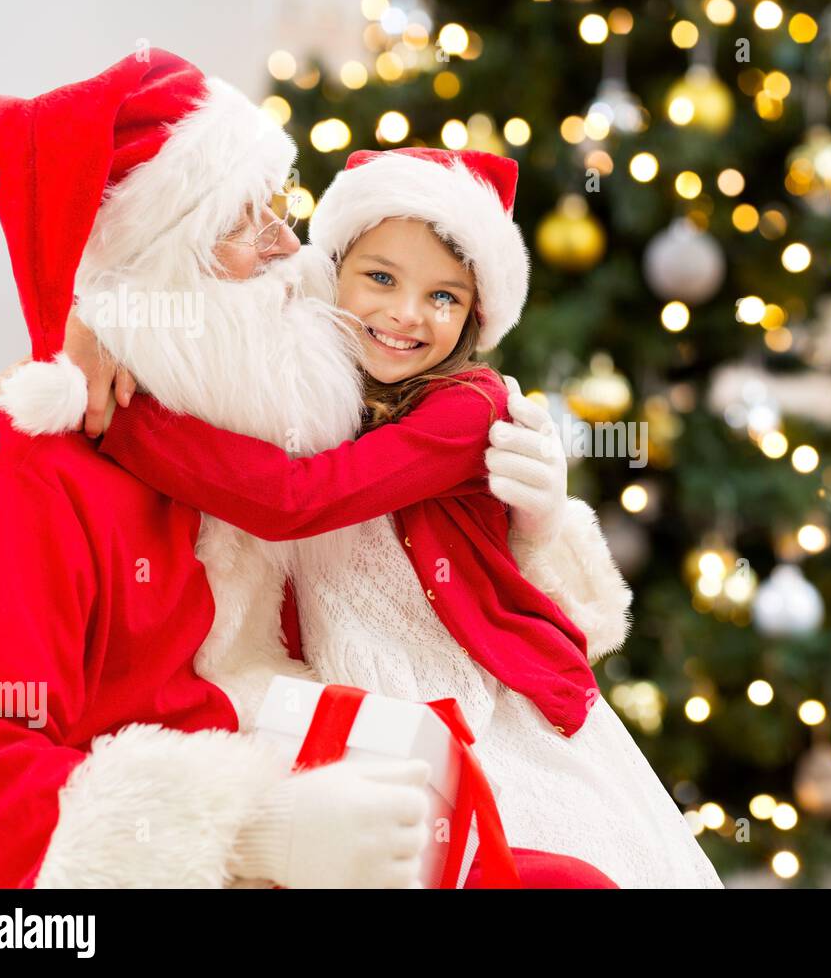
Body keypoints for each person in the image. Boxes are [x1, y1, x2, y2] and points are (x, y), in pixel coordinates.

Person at [0, 49, 623, 889]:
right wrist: (255, 837)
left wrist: (541, 529)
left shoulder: (253, 428)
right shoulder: (24, 468)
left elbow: (412, 579)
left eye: (281, 209)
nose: (287, 245)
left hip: (337, 773)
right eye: (243, 221)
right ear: (161, 260)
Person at [63, 147, 723, 887]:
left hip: (473, 708)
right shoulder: (316, 378)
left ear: (477, 314)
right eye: (380, 278)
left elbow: (296, 499)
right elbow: (212, 350)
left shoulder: (468, 408)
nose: (407, 315)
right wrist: (99, 344)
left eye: (444, 296)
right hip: (356, 701)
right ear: (331, 271)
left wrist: (121, 422)